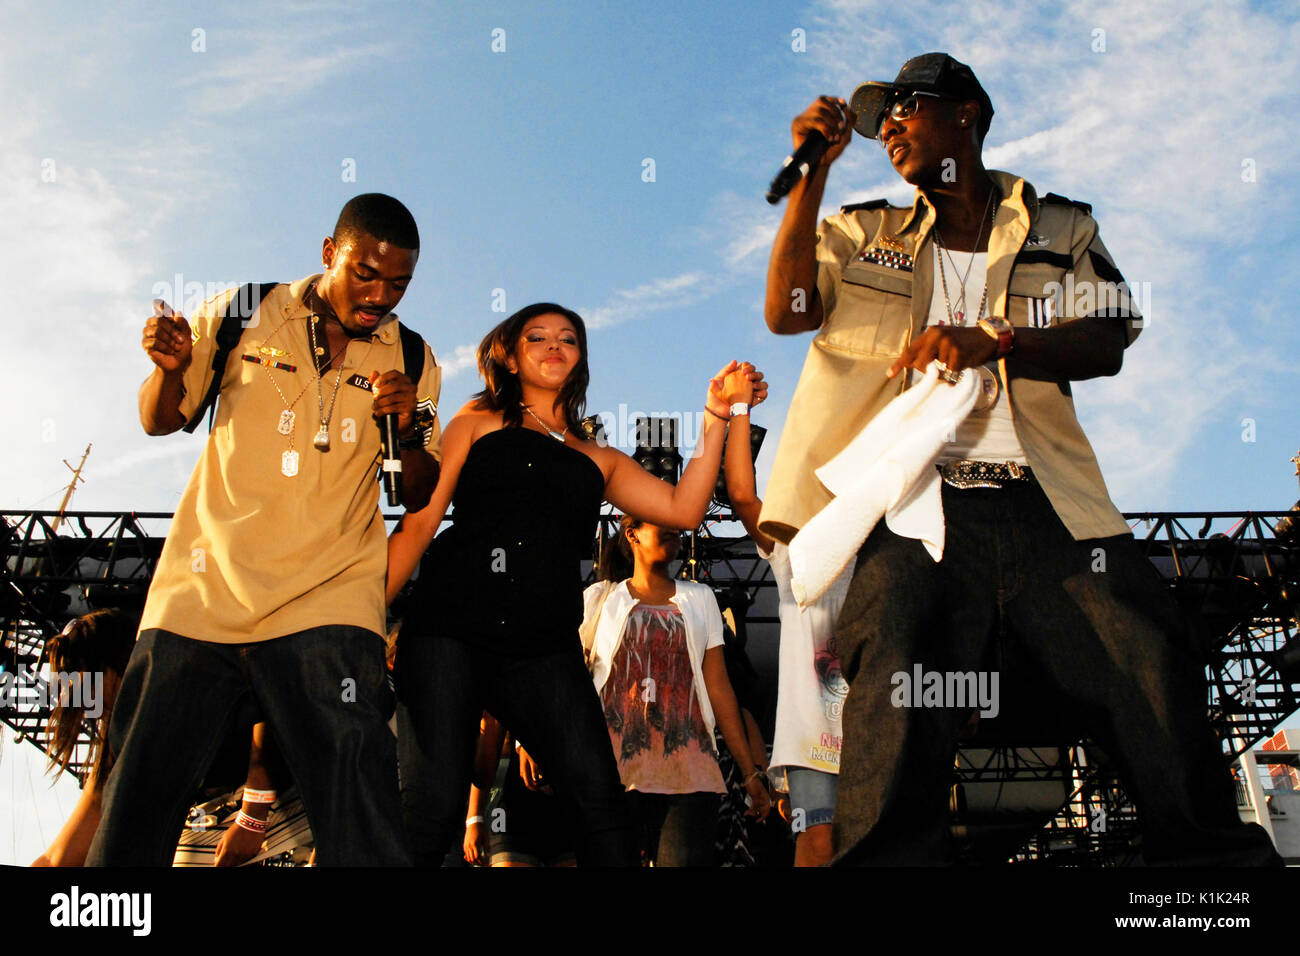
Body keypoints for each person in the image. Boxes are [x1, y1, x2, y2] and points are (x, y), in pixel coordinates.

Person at [760, 52, 1281, 865]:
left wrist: (996, 339)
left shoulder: (1059, 225)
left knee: (1147, 655)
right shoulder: (865, 230)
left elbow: (1107, 334)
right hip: (916, 504)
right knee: (895, 666)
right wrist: (812, 181)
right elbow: (788, 312)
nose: (889, 127)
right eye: (879, 118)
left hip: (1045, 499)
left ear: (965, 113)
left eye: (906, 106)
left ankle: (1211, 882)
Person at [87, 193, 442, 867]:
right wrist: (167, 372)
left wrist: (405, 430)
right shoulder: (242, 311)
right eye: (365, 273)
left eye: (398, 284)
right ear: (330, 252)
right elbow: (162, 419)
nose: (379, 295)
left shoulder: (416, 359)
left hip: (328, 600)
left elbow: (414, 490)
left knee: (361, 807)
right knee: (136, 797)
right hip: (202, 592)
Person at [386, 301, 765, 867]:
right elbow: (419, 522)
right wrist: (367, 616)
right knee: (430, 813)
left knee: (603, 812)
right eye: (536, 337)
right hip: (450, 627)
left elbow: (685, 508)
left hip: (542, 646)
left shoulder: (599, 460)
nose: (553, 345)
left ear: (581, 359)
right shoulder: (475, 421)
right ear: (509, 357)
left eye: (567, 338)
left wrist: (718, 412)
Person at [581, 515, 772, 866]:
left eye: (677, 526)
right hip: (613, 774)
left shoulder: (700, 598)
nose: (674, 530)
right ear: (632, 532)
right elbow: (570, 683)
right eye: (660, 523)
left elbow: (719, 688)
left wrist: (749, 773)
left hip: (690, 774)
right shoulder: (598, 599)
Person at [722, 385, 850, 867]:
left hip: (882, 723)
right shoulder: (793, 548)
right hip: (815, 736)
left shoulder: (891, 542)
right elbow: (740, 494)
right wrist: (738, 409)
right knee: (816, 841)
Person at [31, 610, 137, 867]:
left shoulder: (169, 705)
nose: (82, 699)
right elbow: (60, 854)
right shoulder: (113, 738)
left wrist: (251, 816)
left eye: (81, 682)